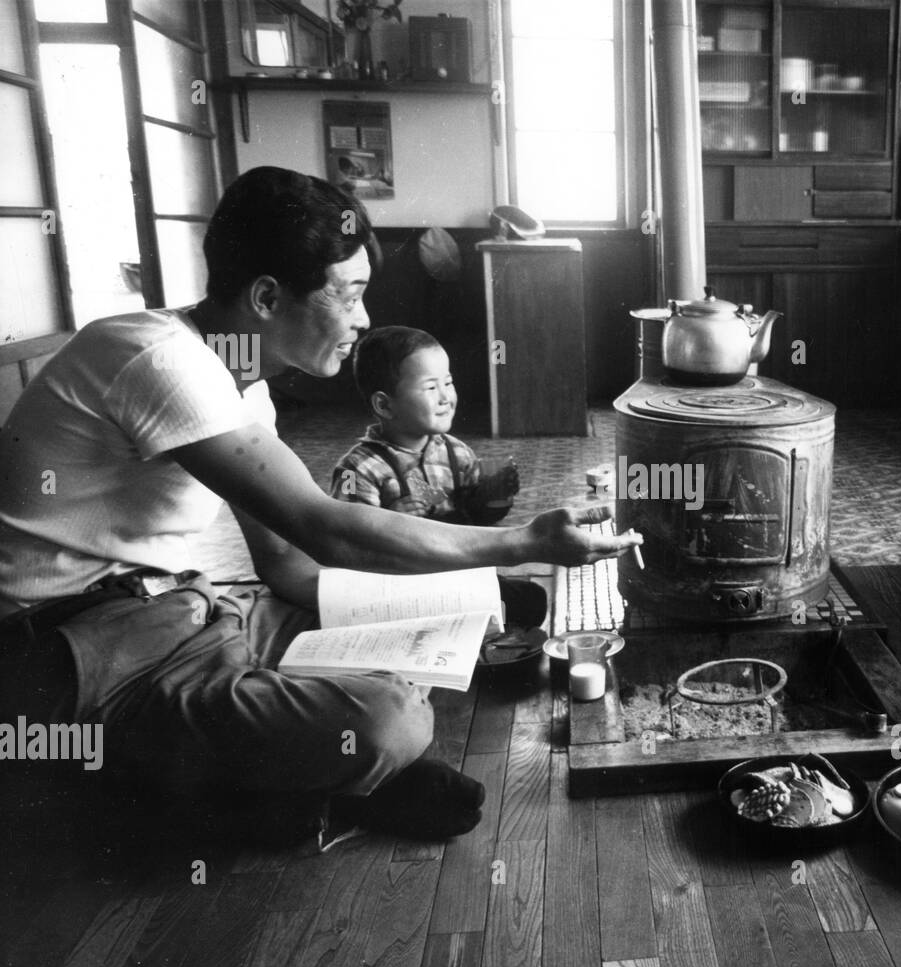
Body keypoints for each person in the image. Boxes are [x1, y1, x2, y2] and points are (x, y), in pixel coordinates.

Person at [0, 166, 640, 840]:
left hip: (187, 611)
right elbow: (326, 528)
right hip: (71, 658)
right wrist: (527, 543)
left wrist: (449, 595)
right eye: (350, 295)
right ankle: (298, 800)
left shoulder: (241, 384)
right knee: (390, 720)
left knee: (451, 625)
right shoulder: (159, 361)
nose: (364, 320)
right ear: (269, 297)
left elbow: (286, 567)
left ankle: (299, 767)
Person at [329, 325, 517, 524]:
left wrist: (493, 498)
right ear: (384, 405)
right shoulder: (357, 470)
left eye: (448, 382)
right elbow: (347, 533)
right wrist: (390, 521)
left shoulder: (459, 453)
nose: (445, 397)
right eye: (431, 387)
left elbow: (476, 519)